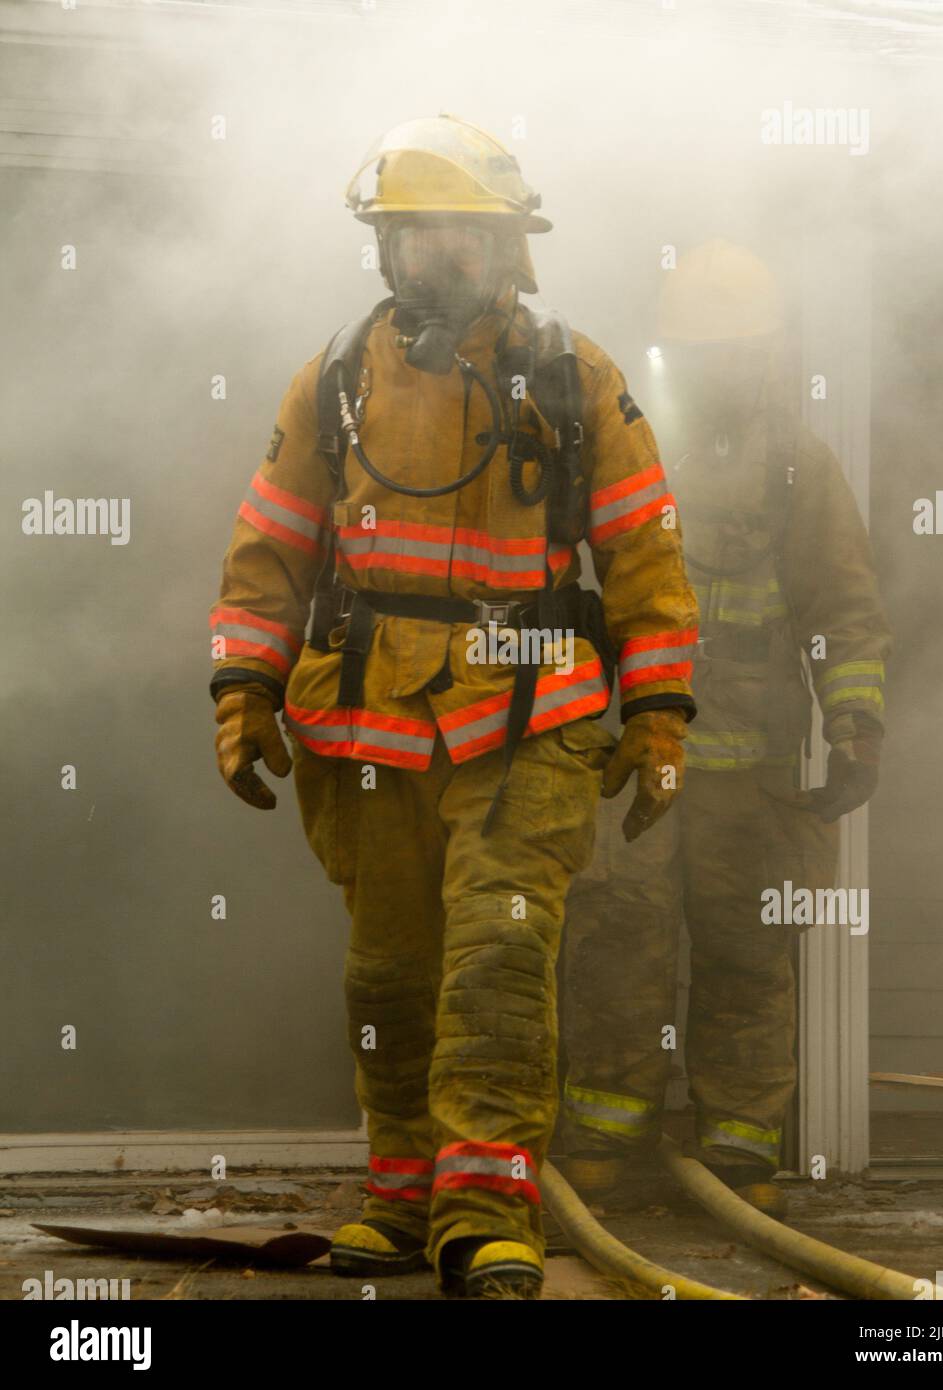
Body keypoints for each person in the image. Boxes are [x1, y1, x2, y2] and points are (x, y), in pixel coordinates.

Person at [208, 115, 697, 1296]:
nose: (433, 259)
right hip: (367, 726)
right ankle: (402, 1193)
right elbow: (269, 547)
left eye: (457, 240)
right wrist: (242, 687)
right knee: (387, 973)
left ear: (507, 251)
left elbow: (641, 548)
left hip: (528, 718)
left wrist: (660, 709)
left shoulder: (572, 376)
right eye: (409, 238)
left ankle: (486, 1213)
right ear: (381, 251)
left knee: (495, 959)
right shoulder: (332, 379)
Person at [561, 241, 892, 1218]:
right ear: (672, 355)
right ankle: (602, 1148)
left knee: (749, 955)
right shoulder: (620, 453)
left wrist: (856, 719)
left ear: (770, 355)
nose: (726, 374)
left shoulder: (798, 465)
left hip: (752, 771)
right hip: (630, 762)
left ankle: (737, 1156)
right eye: (706, 355)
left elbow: (841, 606)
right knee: (614, 950)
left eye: (741, 353)